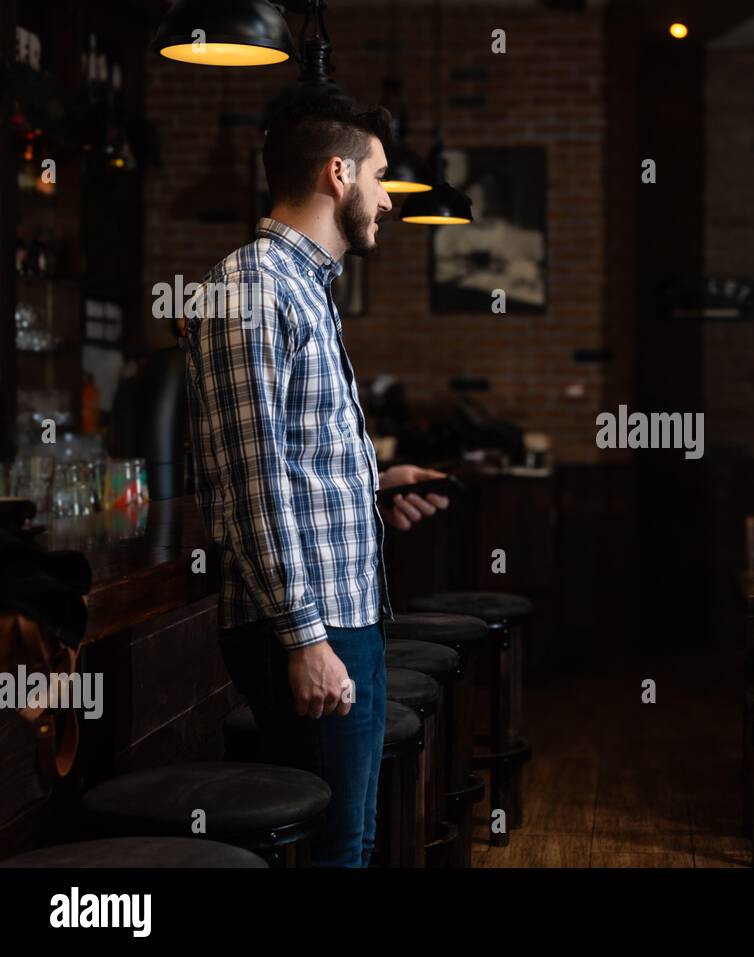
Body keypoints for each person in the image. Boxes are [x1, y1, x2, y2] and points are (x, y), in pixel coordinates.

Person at [181, 95, 449, 867]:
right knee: (338, 849)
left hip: (339, 612)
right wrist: (304, 636)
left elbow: (295, 460)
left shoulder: (305, 285)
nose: (390, 197)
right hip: (307, 623)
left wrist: (373, 484)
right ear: (339, 174)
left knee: (350, 840)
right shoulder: (255, 288)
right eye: (382, 175)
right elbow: (253, 479)